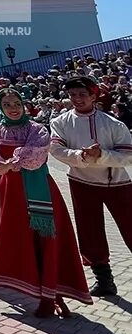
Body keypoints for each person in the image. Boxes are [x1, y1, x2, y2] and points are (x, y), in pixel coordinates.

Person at [0, 88, 91, 318]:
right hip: (11, 192)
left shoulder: (37, 129)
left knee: (46, 240)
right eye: (8, 104)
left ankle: (51, 296)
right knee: (21, 240)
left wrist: (6, 165)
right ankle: (41, 292)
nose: (13, 108)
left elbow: (35, 156)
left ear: (24, 105)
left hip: (39, 191)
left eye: (17, 103)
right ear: (0, 107)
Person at [49, 74, 132, 297]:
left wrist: (101, 155)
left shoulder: (112, 123)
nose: (77, 98)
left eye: (82, 94)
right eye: (72, 94)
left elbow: (128, 155)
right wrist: (81, 155)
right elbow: (56, 150)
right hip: (82, 181)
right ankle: (104, 279)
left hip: (117, 183)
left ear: (94, 95)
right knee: (89, 230)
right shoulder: (60, 122)